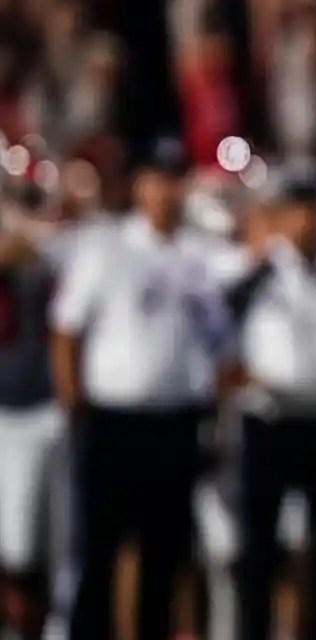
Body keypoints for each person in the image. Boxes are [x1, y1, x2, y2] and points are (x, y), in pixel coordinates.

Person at [48, 139, 233, 640]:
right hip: (113, 417)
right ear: (138, 185)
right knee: (100, 549)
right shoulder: (106, 246)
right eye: (156, 179)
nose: (165, 191)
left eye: (174, 179)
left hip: (176, 420)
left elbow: (221, 341)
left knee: (164, 553)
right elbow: (66, 329)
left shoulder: (200, 256)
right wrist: (74, 404)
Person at [223, 163, 316, 640]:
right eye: (297, 212)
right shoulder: (256, 279)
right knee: (260, 550)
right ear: (281, 218)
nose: (307, 223)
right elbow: (217, 337)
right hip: (270, 422)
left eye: (314, 211)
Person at [0, 180, 61, 640]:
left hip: (47, 408)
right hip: (7, 413)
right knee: (15, 544)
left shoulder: (59, 250)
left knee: (48, 543)